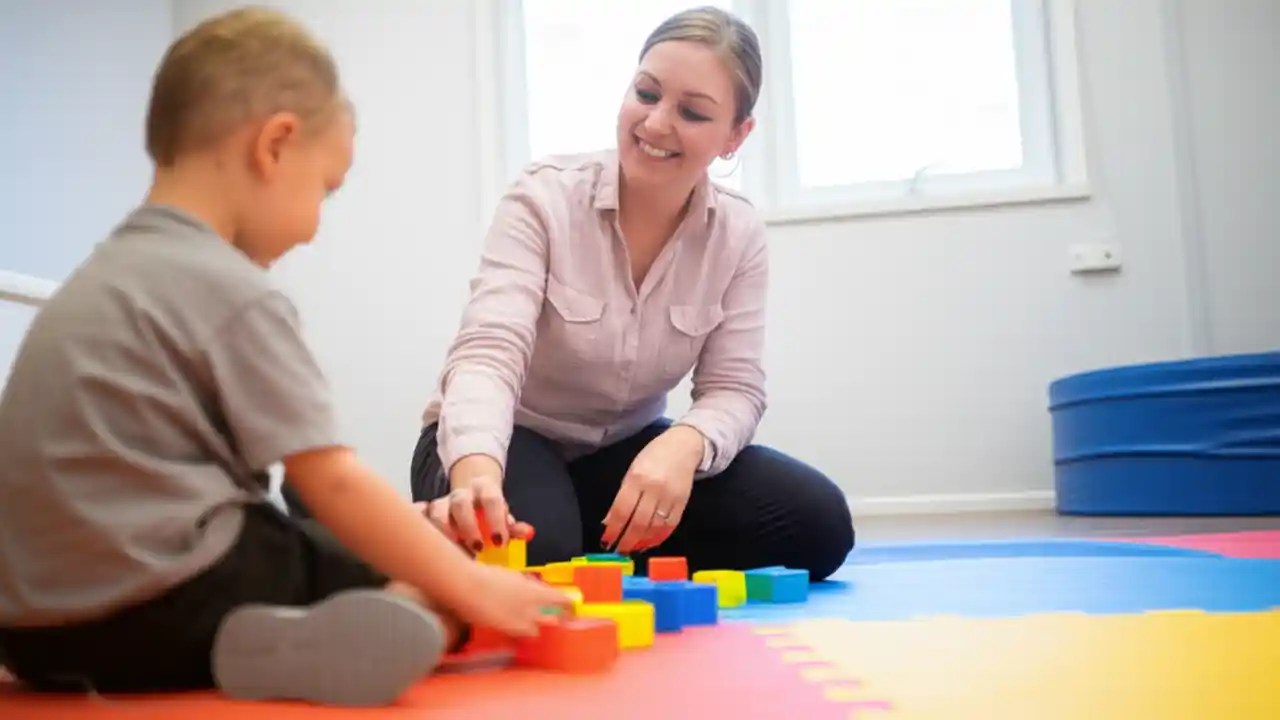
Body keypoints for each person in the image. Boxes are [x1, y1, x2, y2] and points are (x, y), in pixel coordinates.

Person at [0, 7, 568, 708]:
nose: (314, 225)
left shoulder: (99, 279)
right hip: (173, 599)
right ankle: (378, 624)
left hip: (34, 631)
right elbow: (329, 480)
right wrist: (475, 588)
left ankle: (272, 636)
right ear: (275, 145)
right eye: (325, 189)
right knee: (420, 574)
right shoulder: (232, 289)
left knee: (313, 535)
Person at [409, 6, 855, 578]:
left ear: (736, 135)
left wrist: (683, 444)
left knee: (815, 524)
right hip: (497, 445)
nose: (656, 123)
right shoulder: (542, 199)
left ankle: (587, 537)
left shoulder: (738, 233)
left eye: (692, 112)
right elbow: (488, 353)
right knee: (539, 553)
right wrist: (476, 478)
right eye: (646, 94)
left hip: (620, 453)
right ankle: (492, 527)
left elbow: (735, 388)